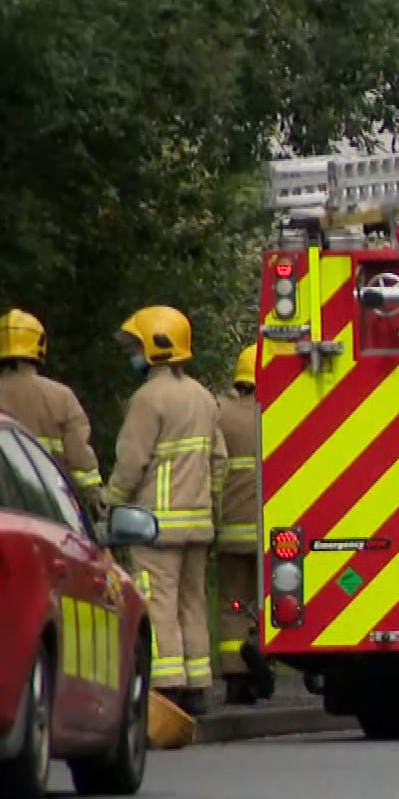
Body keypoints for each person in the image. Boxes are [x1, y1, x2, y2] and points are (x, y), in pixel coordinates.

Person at [107, 305, 228, 716]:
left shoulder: (147, 399)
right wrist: (214, 508)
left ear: (155, 347)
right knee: (192, 603)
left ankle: (166, 686)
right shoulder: (204, 398)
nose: (132, 355)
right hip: (198, 523)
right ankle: (199, 685)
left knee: (156, 601)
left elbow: (131, 460)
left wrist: (113, 501)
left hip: (154, 525)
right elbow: (219, 461)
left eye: (136, 346)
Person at [0, 309, 105, 513]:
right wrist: (94, 496)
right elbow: (80, 459)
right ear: (39, 345)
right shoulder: (61, 396)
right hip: (52, 506)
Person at [216, 343, 273, 706]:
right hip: (275, 533)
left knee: (235, 603)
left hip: (234, 530)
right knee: (268, 600)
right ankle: (264, 654)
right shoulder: (282, 411)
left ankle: (237, 677)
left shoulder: (222, 415)